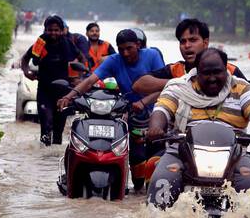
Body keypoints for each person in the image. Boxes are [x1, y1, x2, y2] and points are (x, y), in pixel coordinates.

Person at [131, 18, 250, 146]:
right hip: (184, 143)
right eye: (183, 41)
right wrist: (182, 84)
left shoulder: (230, 72)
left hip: (227, 143)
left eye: (192, 40)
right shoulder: (176, 73)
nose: (187, 46)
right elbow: (139, 85)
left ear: (205, 43)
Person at [145, 48, 250, 208]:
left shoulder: (241, 88)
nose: (212, 78)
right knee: (161, 181)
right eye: (206, 73)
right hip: (181, 152)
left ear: (226, 70)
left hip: (236, 154)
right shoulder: (178, 88)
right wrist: (155, 128)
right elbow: (161, 110)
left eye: (217, 72)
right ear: (197, 72)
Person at [57, 28, 165, 114]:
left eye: (129, 48)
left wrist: (143, 102)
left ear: (138, 45)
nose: (125, 53)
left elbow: (165, 87)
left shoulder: (152, 55)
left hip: (156, 109)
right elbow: (90, 81)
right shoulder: (114, 60)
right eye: (121, 49)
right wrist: (68, 97)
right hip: (130, 110)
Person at [20, 16, 91, 145]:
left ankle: (53, 159)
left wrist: (78, 78)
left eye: (56, 30)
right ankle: (42, 159)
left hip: (63, 91)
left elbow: (82, 59)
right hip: (44, 89)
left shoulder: (68, 43)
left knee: (58, 130)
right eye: (50, 30)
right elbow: (25, 59)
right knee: (46, 125)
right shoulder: (40, 43)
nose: (53, 33)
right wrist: (26, 72)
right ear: (45, 30)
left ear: (62, 30)